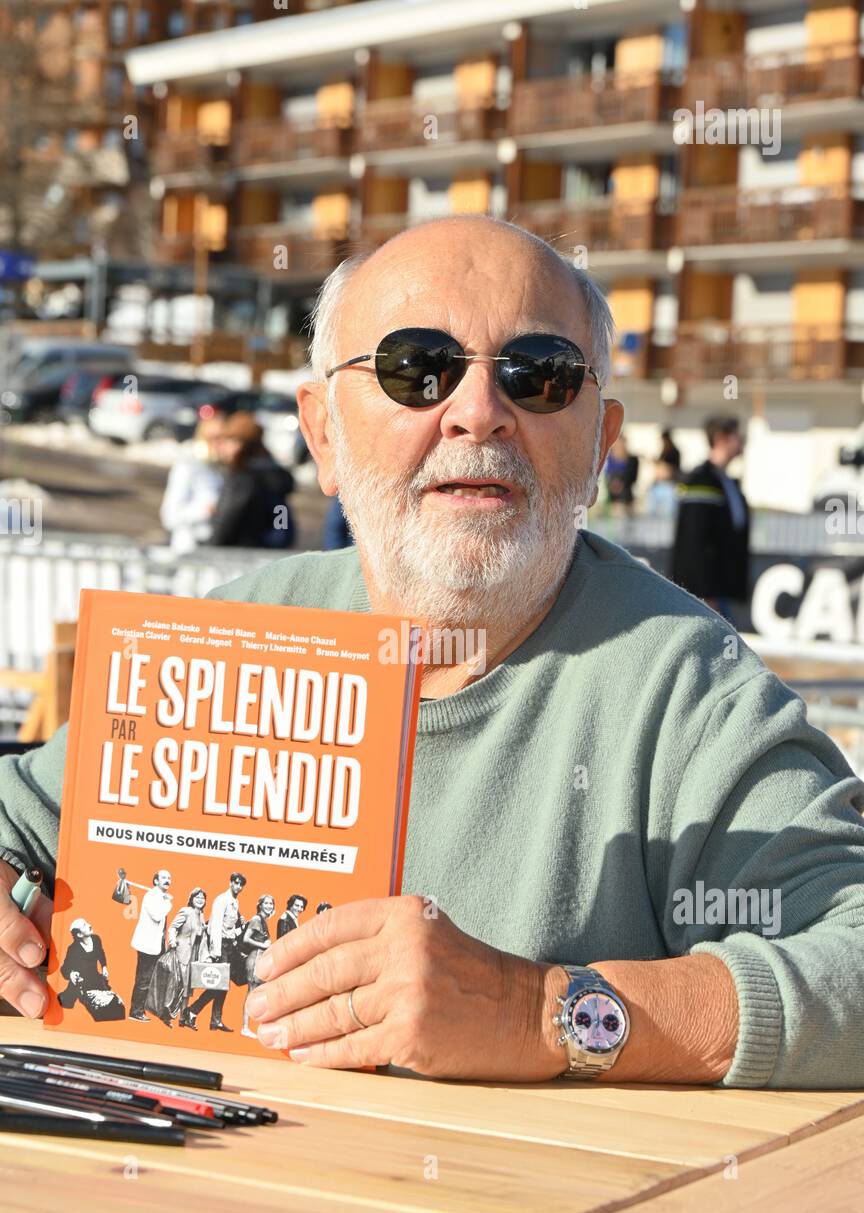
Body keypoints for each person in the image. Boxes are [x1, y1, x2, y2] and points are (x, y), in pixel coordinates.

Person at [2, 215, 864, 1090]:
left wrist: (542, 1012)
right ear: (323, 433)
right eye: (418, 368)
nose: (479, 414)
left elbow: (853, 957)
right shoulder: (239, 636)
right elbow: (17, 820)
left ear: (601, 445)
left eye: (540, 376)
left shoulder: (687, 690)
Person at [671, 416, 750, 622]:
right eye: (737, 435)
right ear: (722, 438)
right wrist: (704, 594)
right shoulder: (702, 479)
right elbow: (694, 539)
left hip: (721, 591)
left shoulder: (726, 482)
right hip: (706, 596)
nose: (742, 441)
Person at [208, 412, 295, 549]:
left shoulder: (243, 478)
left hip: (235, 556)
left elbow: (227, 520)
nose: (222, 447)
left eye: (227, 440)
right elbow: (281, 516)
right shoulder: (273, 474)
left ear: (240, 443)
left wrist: (211, 545)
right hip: (265, 556)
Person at [185, 872, 245, 1032]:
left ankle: (215, 1020)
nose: (238, 886)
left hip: (229, 945)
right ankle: (192, 1011)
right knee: (219, 983)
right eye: (236, 883)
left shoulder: (234, 901)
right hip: (220, 946)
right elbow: (216, 925)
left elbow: (229, 926)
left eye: (241, 884)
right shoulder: (221, 899)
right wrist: (215, 951)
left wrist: (234, 939)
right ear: (231, 882)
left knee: (223, 985)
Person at [159, 414, 226, 553]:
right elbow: (169, 516)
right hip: (189, 551)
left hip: (216, 551)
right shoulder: (187, 467)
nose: (218, 444)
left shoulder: (223, 469)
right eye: (213, 438)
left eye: (223, 438)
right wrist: (205, 511)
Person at [146, 887, 208, 1028]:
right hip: (180, 952)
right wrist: (172, 941)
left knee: (187, 988)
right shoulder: (186, 911)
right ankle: (166, 1015)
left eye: (202, 898)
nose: (200, 900)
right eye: (197, 897)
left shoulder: (201, 915)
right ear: (191, 899)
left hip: (193, 955)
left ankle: (182, 1018)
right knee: (175, 985)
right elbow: (173, 927)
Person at [57, 918, 124, 1020]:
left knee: (118, 1005)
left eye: (87, 922)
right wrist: (71, 974)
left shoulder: (96, 939)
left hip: (97, 980)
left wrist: (104, 967)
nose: (89, 925)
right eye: (84, 925)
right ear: (79, 934)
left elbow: (101, 953)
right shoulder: (73, 949)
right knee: (103, 1010)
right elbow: (64, 969)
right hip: (82, 985)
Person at [128, 869, 172, 1022]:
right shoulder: (152, 896)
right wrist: (168, 903)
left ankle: (145, 1008)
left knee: (153, 979)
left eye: (169, 878)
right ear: (156, 881)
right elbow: (157, 916)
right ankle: (136, 1011)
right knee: (144, 979)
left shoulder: (159, 896)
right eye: (164, 877)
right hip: (147, 945)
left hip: (157, 944)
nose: (167, 880)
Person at [240, 895, 275, 1037]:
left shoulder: (263, 920)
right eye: (266, 903)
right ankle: (245, 1027)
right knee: (251, 992)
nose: (269, 906)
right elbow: (246, 938)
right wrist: (263, 944)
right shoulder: (256, 919)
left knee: (257, 992)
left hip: (260, 958)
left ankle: (253, 1026)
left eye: (271, 904)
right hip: (254, 958)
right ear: (260, 905)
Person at [603, 433, 639, 515]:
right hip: (612, 499)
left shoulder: (632, 460)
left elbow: (633, 478)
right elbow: (606, 476)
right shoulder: (609, 459)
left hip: (626, 499)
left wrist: (620, 485)